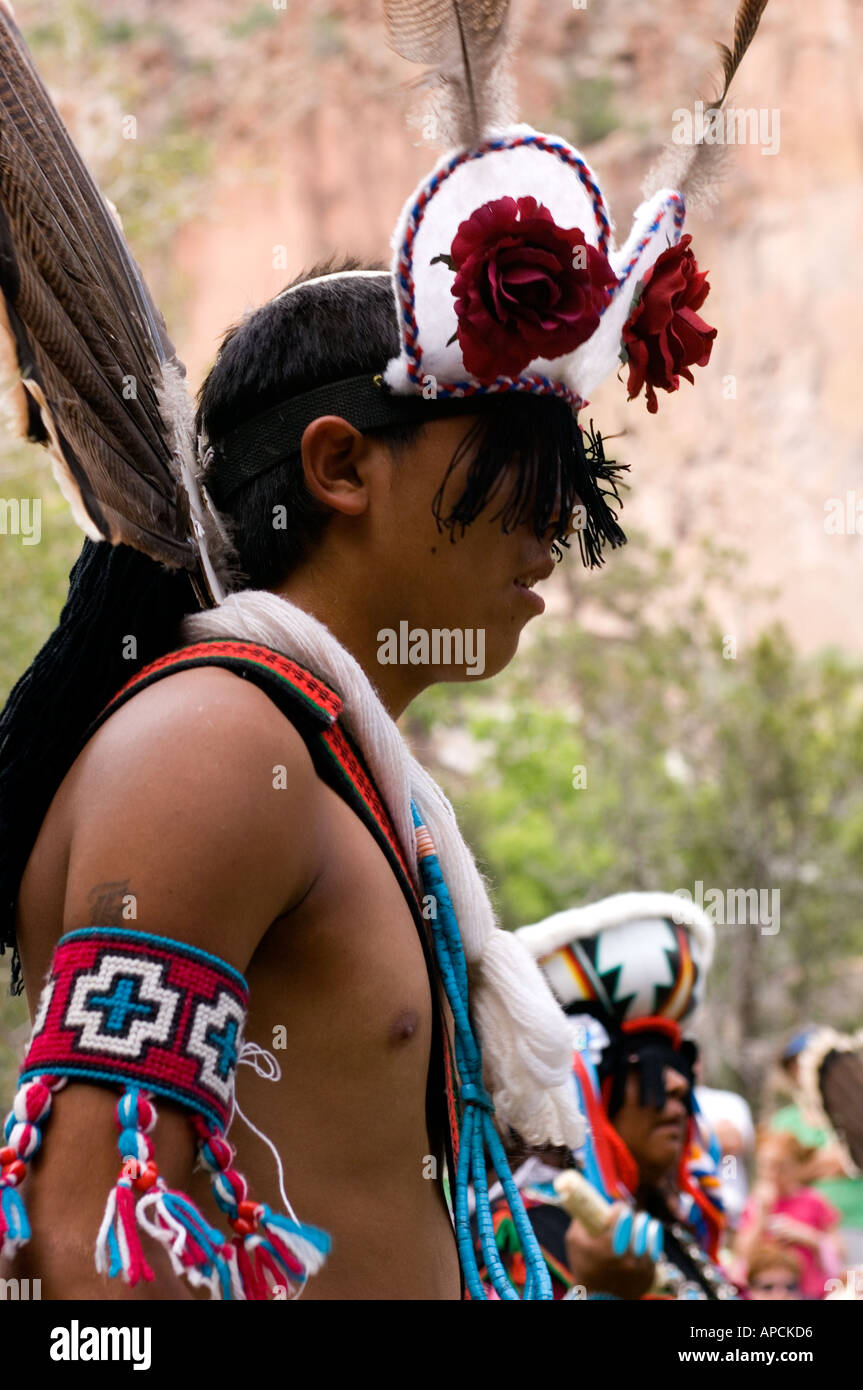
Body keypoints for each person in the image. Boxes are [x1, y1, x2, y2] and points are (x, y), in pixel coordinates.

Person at [0, 4, 771, 1300]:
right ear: (340, 466)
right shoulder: (217, 745)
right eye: (519, 471)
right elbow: (90, 1266)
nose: (553, 530)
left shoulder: (325, 768)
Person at [473, 892, 738, 1299]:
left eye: (679, 1065)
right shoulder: (519, 1232)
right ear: (582, 1090)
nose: (677, 1085)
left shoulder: (670, 1229)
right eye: (646, 1067)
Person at [735, 1129, 843, 1300]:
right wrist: (761, 1215)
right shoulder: (756, 1202)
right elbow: (743, 1253)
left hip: (807, 1291)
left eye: (780, 1166)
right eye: (765, 1166)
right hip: (767, 1292)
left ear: (796, 1167)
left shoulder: (813, 1200)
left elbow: (838, 1252)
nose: (771, 1173)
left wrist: (806, 1236)